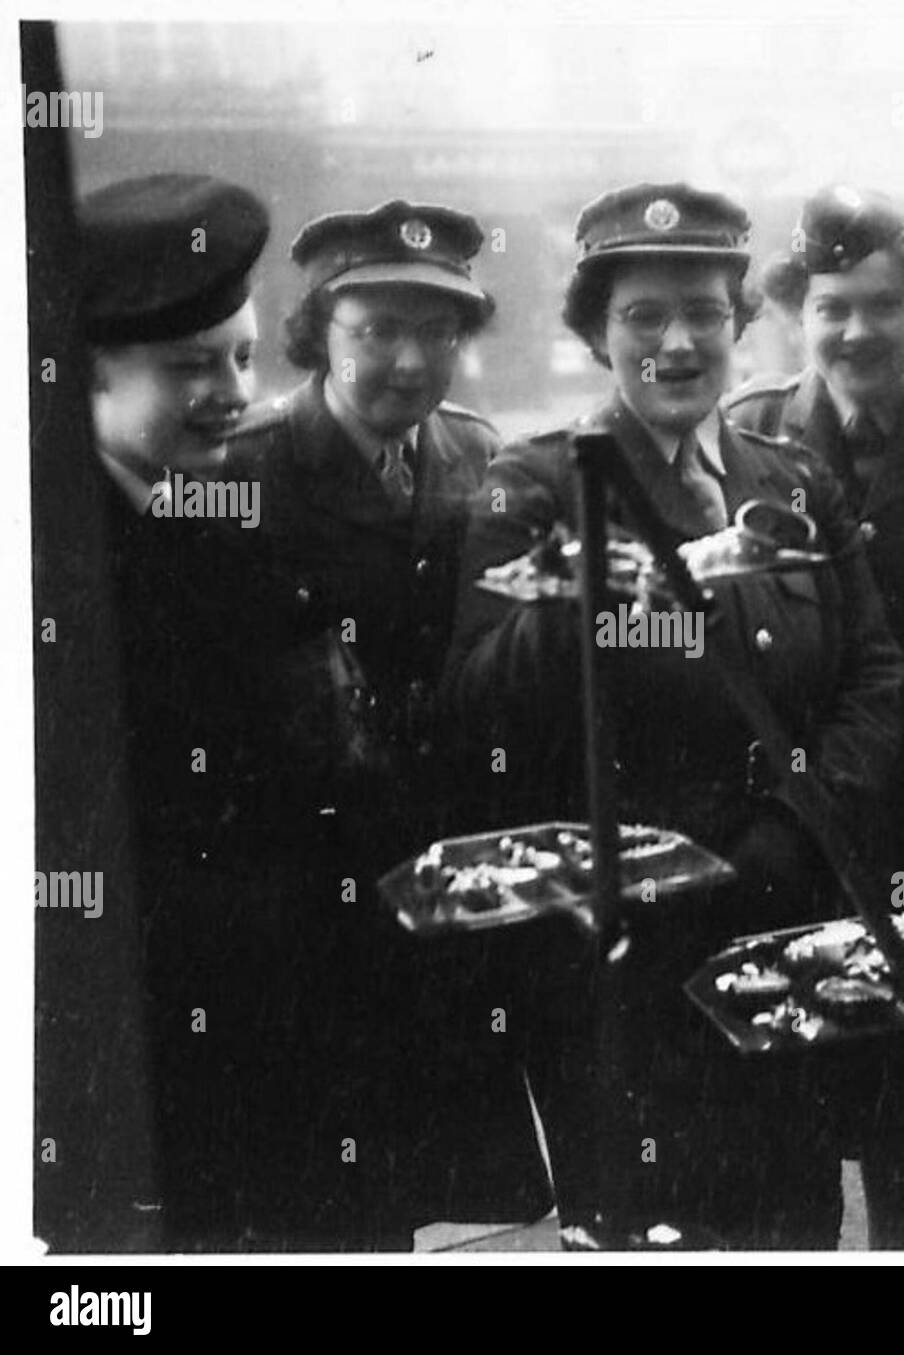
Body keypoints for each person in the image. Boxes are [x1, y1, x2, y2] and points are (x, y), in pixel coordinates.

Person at [440, 182, 904, 1248]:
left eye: (705, 312)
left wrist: (797, 822)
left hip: (780, 917)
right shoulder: (536, 484)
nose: (678, 342)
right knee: (643, 1229)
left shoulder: (791, 482)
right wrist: (569, 597)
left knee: (790, 1215)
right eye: (643, 316)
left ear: (740, 327)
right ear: (595, 336)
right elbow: (473, 707)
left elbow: (874, 671)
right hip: (620, 958)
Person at [224, 199, 551, 1248]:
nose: (411, 362)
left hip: (439, 872)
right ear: (317, 330)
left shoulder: (476, 453)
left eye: (438, 331)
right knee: (323, 1184)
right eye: (377, 331)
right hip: (305, 886)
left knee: (429, 1167)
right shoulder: (240, 469)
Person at [725, 186, 904, 1247]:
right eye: (831, 307)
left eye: (885, 304)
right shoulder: (748, 430)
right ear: (796, 315)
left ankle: (896, 1244)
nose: (857, 330)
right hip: (799, 802)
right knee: (793, 1045)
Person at [81, 172, 332, 1249]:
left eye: (242, 357)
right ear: (85, 372)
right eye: (190, 366)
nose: (233, 392)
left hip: (257, 1027)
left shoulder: (210, 516)